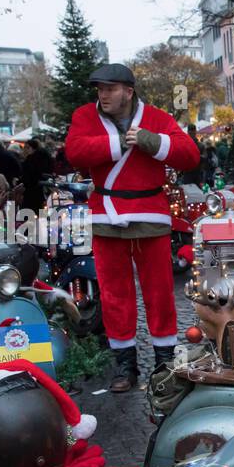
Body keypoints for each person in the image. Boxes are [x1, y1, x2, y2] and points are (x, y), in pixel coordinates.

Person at [65, 62, 199, 393]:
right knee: (114, 296)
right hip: (105, 217)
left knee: (160, 293)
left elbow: (189, 155)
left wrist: (152, 142)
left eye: (110, 89)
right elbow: (75, 152)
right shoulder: (85, 115)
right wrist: (120, 145)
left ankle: (164, 362)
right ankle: (125, 367)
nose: (104, 95)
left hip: (150, 215)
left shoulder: (155, 118)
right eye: (100, 89)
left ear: (128, 91)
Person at [21, 138, 54, 213]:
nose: (24, 150)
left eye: (27, 147)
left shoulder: (31, 159)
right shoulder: (43, 155)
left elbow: (29, 175)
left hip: (32, 189)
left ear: (32, 148)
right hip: (41, 188)